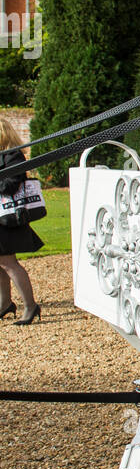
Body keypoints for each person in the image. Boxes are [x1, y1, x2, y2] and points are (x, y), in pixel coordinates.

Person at [0, 116, 42, 326]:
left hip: (6, 220)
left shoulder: (13, 155)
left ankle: (30, 306)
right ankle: (6, 304)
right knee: (1, 264)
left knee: (9, 263)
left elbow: (11, 184)